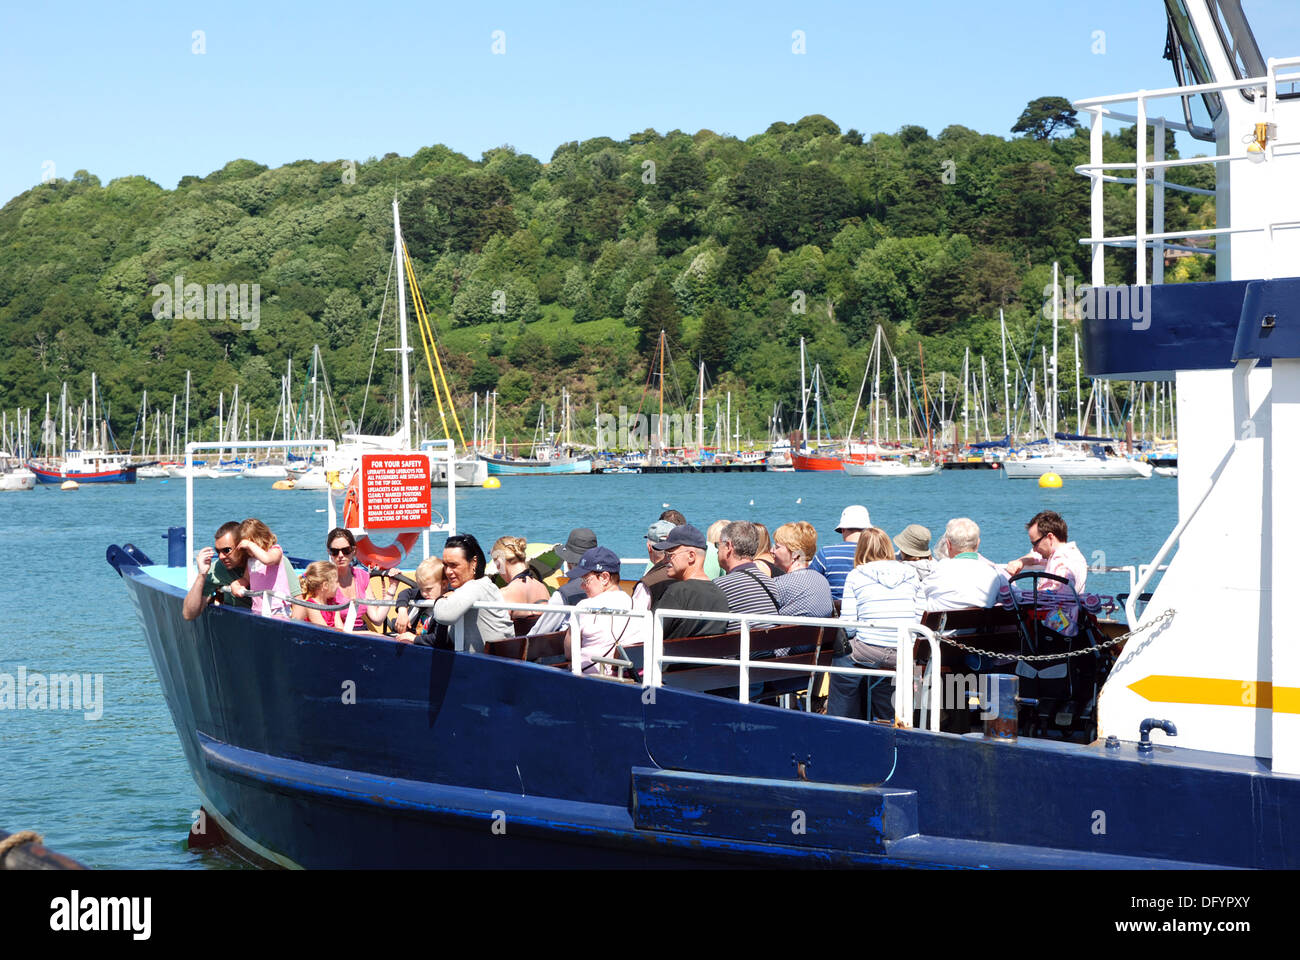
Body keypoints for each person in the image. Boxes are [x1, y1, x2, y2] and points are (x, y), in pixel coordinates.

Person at [832, 527, 925, 722]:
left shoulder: (856, 575)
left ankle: (841, 720)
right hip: (904, 653)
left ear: (861, 550)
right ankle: (886, 720)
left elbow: (848, 626)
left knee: (843, 662)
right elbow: (919, 617)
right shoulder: (911, 573)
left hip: (870, 650)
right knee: (883, 679)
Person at [432, 534, 513, 652]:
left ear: (474, 562)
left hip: (487, 664)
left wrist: (441, 598)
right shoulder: (487, 584)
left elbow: (444, 615)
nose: (448, 572)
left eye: (454, 565)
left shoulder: (475, 586)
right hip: (497, 660)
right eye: (445, 565)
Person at [651, 524, 730, 639]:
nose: (665, 560)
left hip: (673, 655)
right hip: (708, 655)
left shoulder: (678, 592)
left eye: (670, 555)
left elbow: (648, 633)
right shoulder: (720, 595)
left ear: (691, 556)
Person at [566, 546, 635, 674]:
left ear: (604, 577)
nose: (582, 586)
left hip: (592, 681)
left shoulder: (584, 607)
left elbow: (569, 652)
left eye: (585, 580)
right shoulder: (635, 604)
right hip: (629, 677)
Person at [923, 518, 1010, 611]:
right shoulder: (993, 573)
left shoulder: (939, 568)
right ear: (978, 543)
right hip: (979, 624)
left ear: (948, 544)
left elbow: (923, 594)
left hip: (941, 624)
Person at [528, 527, 599, 636]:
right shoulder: (609, 587)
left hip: (572, 649)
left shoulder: (565, 593)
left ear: (569, 562)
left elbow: (538, 633)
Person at [714, 521, 779, 631]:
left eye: (718, 545)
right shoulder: (771, 584)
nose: (717, 550)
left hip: (736, 647)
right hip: (767, 646)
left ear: (729, 546)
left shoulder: (720, 586)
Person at [182, 521, 254, 619]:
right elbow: (189, 614)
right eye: (218, 551)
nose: (221, 556)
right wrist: (202, 574)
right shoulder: (218, 569)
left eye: (226, 550)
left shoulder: (268, 562)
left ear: (242, 545)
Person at [1005, 510, 1088, 593]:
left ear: (1050, 537)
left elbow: (1055, 598)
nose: (1034, 549)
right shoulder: (1069, 554)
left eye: (1035, 543)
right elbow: (1036, 556)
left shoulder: (1062, 564)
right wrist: (1021, 562)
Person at [325, 528, 388, 631]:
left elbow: (377, 619)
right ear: (329, 552)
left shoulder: (362, 576)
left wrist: (392, 588)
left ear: (353, 551)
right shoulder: (325, 580)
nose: (341, 555)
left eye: (346, 550)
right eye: (335, 552)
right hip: (338, 634)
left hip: (361, 632)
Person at [230, 518, 291, 619]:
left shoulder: (275, 551)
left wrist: (250, 545)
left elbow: (267, 560)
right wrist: (236, 584)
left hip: (277, 606)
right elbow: (246, 579)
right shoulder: (251, 561)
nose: (248, 550)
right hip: (258, 607)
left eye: (249, 546)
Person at [811, 505, 871, 604]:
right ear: (867, 530)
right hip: (866, 609)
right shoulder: (876, 554)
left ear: (843, 530)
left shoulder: (826, 554)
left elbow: (810, 583)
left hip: (832, 613)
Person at [772, 521, 833, 618]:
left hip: (791, 633)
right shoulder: (822, 580)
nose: (772, 551)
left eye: (777, 547)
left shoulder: (779, 585)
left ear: (795, 554)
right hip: (820, 632)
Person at [491, 536, 550, 634]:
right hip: (541, 647)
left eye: (497, 565)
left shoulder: (504, 593)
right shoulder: (543, 588)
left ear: (500, 562)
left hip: (514, 648)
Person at [393, 556, 450, 647]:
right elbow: (406, 592)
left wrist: (414, 638)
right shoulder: (422, 593)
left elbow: (440, 639)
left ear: (444, 584)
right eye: (421, 589)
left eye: (428, 589)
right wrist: (402, 611)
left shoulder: (448, 603)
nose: (424, 593)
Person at [297, 561, 347, 631]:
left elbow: (341, 629)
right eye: (336, 582)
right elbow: (325, 632)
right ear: (325, 585)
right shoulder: (311, 606)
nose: (338, 585)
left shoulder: (333, 604)